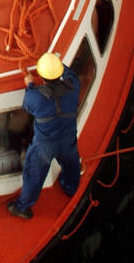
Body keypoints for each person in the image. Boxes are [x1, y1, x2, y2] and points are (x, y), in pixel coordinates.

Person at [7, 53, 81, 219]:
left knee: (34, 174)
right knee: (71, 164)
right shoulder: (74, 85)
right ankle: (71, 188)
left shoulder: (33, 97)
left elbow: (28, 106)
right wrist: (54, 62)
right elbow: (69, 74)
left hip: (45, 145)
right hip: (68, 138)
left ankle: (22, 207)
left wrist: (30, 84)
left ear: (41, 75)